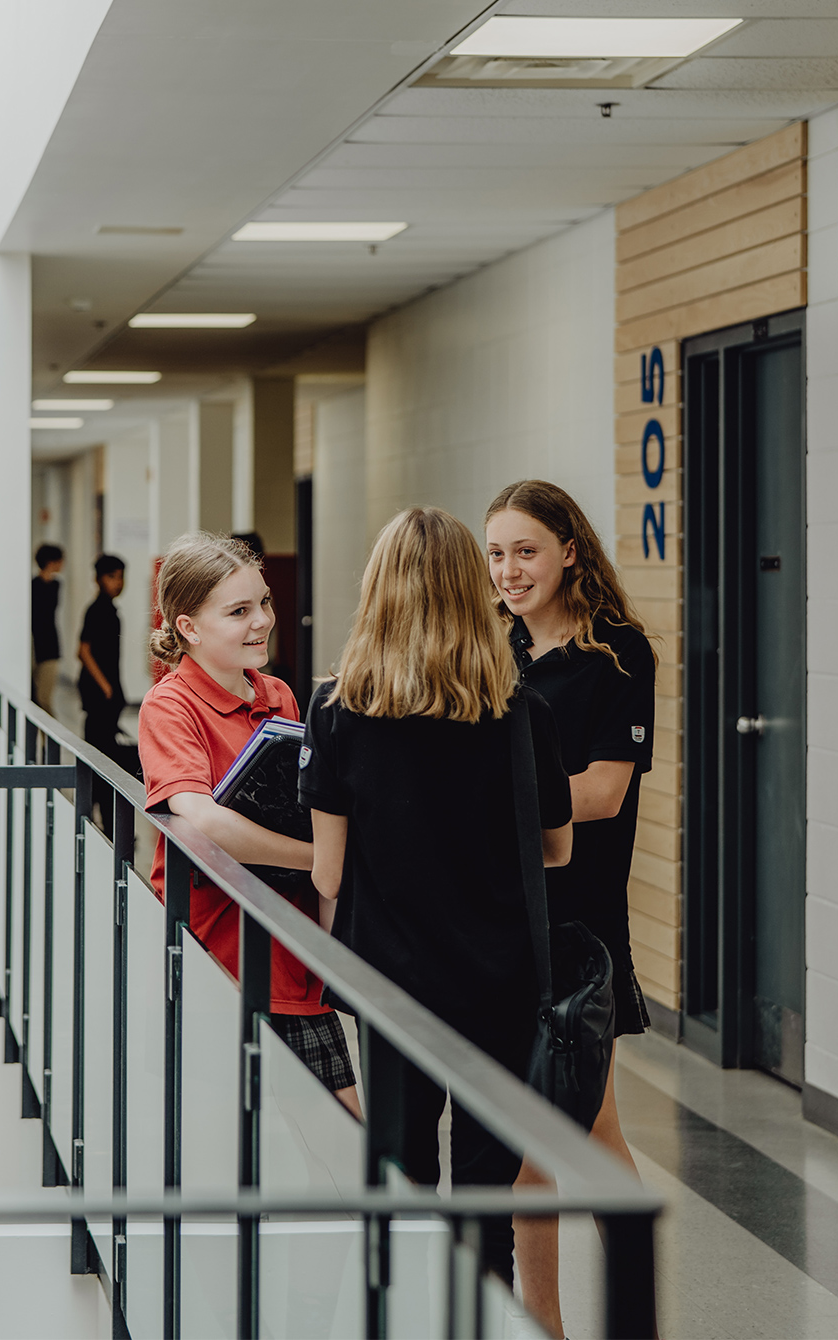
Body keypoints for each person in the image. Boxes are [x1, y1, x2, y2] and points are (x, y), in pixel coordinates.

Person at [300, 506, 574, 1287]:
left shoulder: (338, 709)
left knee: (400, 1174)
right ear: (472, 590)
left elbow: (327, 873)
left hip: (391, 981)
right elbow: (555, 848)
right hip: (502, 980)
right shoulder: (525, 713)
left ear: (379, 590)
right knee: (487, 1193)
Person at [485, 479, 658, 1339]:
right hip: (499, 920)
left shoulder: (618, 657)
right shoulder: (491, 647)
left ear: (569, 553)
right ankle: (542, 1324)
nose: (509, 571)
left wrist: (483, 800)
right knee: (526, 1143)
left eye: (525, 551)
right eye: (496, 554)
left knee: (588, 1131)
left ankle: (631, 1313)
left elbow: (599, 793)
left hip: (580, 929)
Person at [138, 533, 359, 1116]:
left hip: (293, 941)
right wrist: (321, 858)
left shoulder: (279, 693)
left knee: (336, 1144)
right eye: (239, 612)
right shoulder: (170, 705)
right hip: (227, 952)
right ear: (188, 627)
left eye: (263, 603)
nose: (262, 621)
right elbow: (202, 817)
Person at [77, 554, 140, 774]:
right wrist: (105, 686)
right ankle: (99, 799)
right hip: (98, 693)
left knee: (104, 748)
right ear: (98, 579)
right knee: (100, 751)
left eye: (121, 577)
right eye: (112, 577)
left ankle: (101, 800)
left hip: (106, 691)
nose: (118, 583)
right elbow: (83, 651)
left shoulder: (110, 609)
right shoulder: (96, 610)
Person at [31, 543, 64, 717]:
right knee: (37, 697)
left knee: (44, 697)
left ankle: (48, 740)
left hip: (49, 645)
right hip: (37, 644)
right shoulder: (35, 585)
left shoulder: (55, 585)